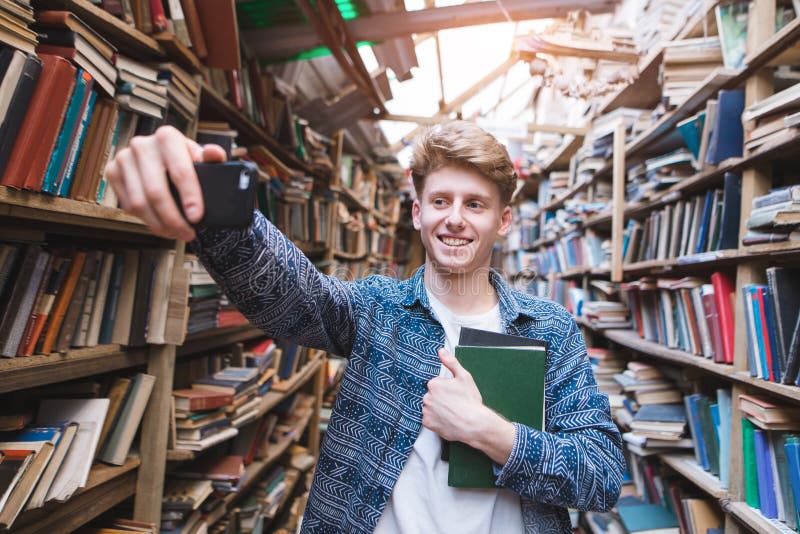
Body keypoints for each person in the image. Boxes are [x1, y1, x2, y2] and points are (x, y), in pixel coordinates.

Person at [105, 120, 624, 533]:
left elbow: (601, 476)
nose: (455, 219)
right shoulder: (377, 307)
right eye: (441, 202)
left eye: (476, 204)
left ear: (503, 220)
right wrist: (216, 206)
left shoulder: (548, 328)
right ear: (418, 213)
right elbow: (291, 294)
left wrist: (486, 431)